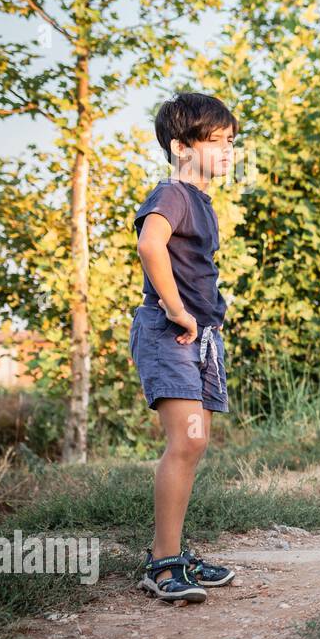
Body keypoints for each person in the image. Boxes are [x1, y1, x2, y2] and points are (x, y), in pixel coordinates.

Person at [129, 92, 239, 603]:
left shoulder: (200, 200)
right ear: (180, 146)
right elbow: (151, 244)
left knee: (194, 443)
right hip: (169, 332)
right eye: (216, 142)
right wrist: (176, 307)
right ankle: (163, 564)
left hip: (200, 341)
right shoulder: (172, 192)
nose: (227, 151)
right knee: (187, 442)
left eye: (231, 142)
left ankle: (170, 550)